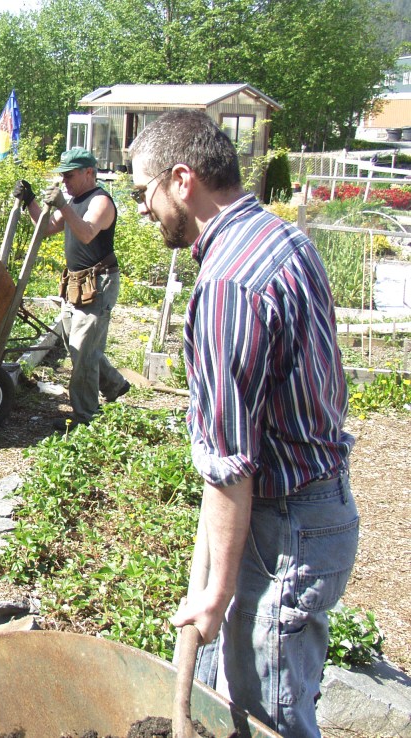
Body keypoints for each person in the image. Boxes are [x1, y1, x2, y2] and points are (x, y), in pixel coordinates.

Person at [129, 109, 358, 737]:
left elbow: (231, 464)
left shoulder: (229, 283)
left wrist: (216, 592)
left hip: (284, 526)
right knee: (244, 701)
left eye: (144, 191)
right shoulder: (281, 238)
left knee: (267, 717)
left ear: (182, 180)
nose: (142, 209)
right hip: (317, 506)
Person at [13, 148, 130, 431]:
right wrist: (30, 201)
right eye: (62, 176)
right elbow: (47, 228)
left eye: (69, 175)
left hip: (98, 284)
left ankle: (86, 417)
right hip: (77, 283)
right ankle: (114, 384)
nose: (64, 181)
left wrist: (63, 205)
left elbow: (87, 233)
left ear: (88, 172)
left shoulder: (100, 201)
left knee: (83, 351)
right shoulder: (75, 200)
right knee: (78, 344)